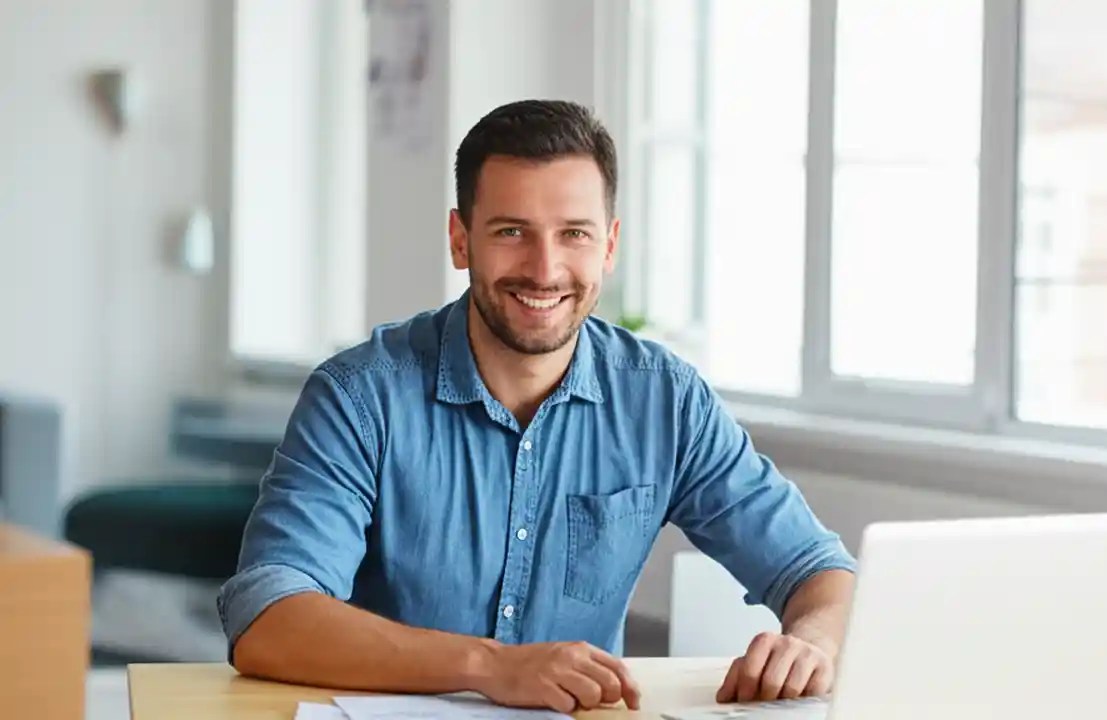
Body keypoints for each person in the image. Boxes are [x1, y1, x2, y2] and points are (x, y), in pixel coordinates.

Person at [218, 99, 856, 713]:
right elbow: (269, 617)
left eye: (573, 234)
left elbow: (820, 572)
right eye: (511, 232)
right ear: (460, 239)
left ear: (608, 245)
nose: (545, 269)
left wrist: (813, 644)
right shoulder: (360, 397)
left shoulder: (665, 399)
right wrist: (491, 666)